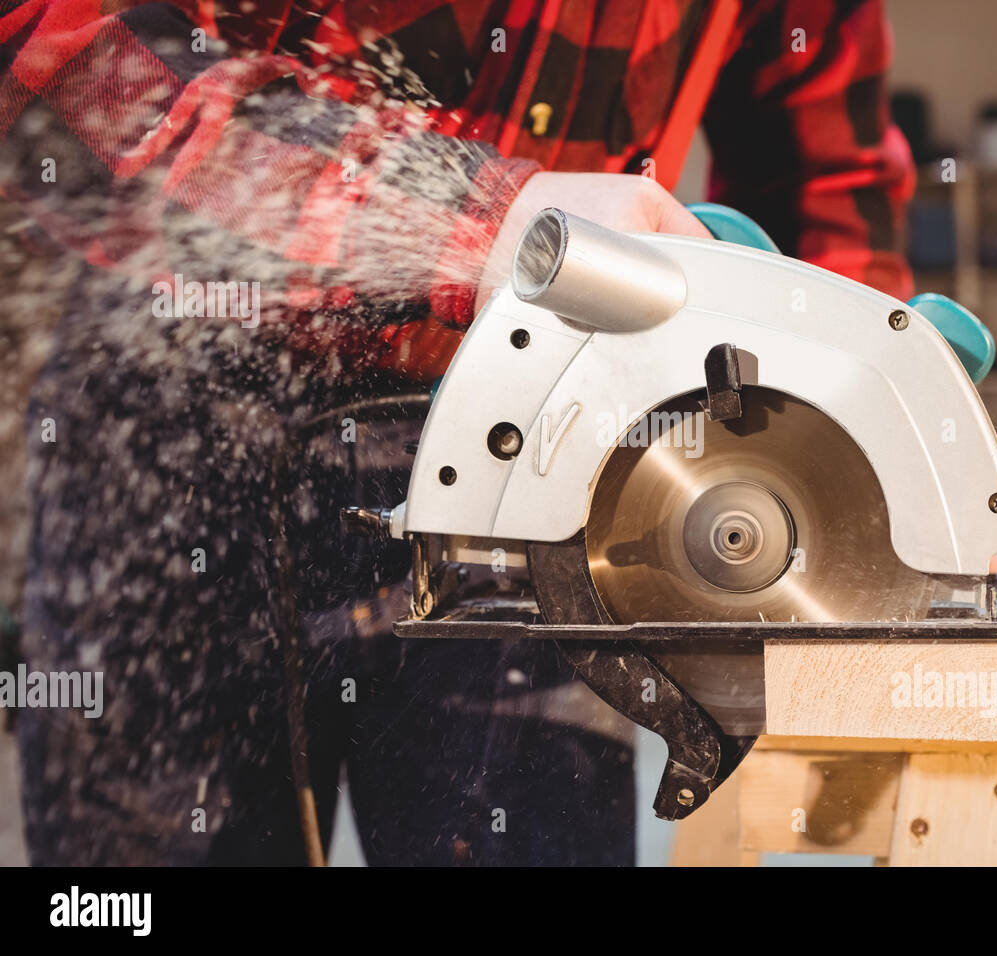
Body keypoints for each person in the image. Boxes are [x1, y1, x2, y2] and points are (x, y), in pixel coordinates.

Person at [0, 0, 914, 865]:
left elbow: (825, 169)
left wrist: (856, 415)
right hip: (181, 430)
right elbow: (57, 53)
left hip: (540, 461)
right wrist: (490, 225)